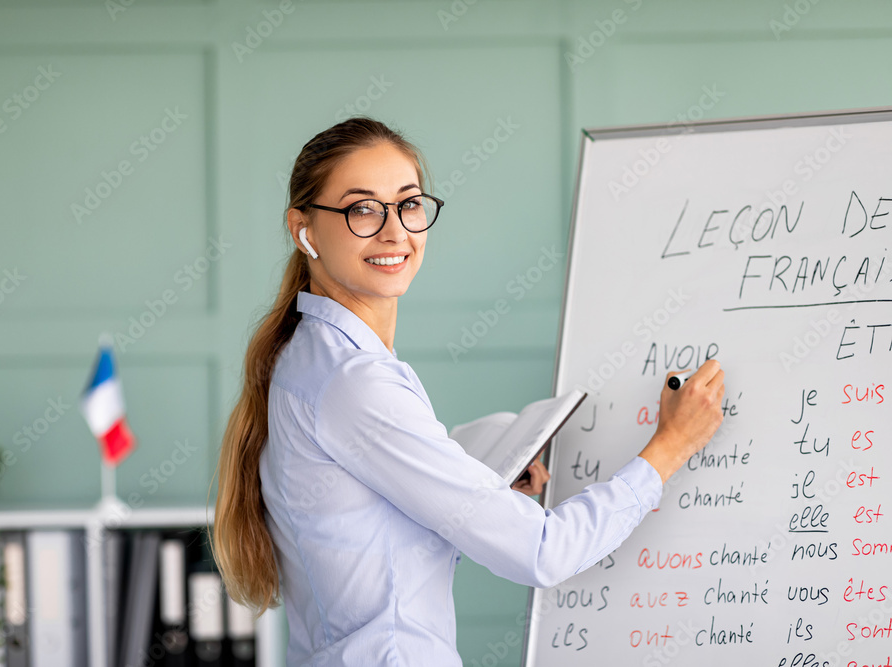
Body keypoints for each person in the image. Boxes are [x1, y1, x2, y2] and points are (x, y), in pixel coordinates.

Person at [211, 117, 725, 666]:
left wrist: (488, 477)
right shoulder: (354, 381)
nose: (395, 232)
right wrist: (671, 446)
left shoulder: (310, 355)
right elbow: (543, 553)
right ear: (304, 229)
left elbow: (369, 517)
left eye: (408, 204)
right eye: (362, 209)